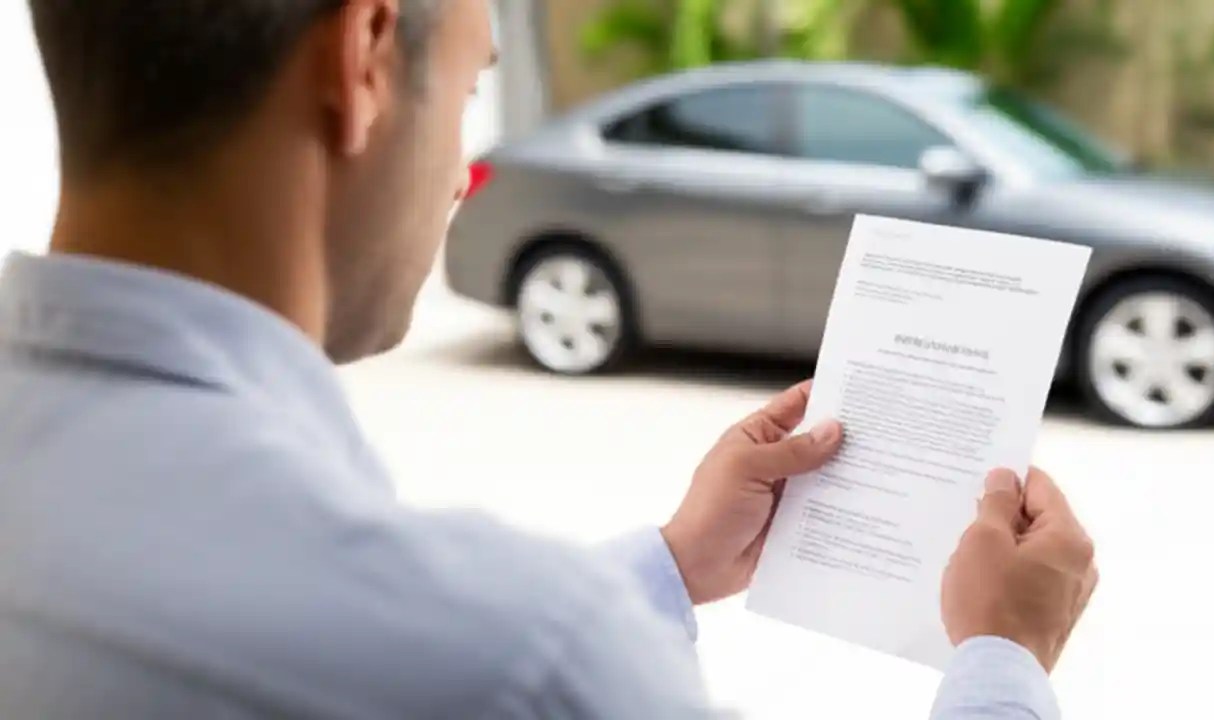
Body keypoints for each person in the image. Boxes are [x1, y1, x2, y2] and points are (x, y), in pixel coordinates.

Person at [0, 1, 1098, 718]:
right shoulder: (525, 663)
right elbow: (493, 664)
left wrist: (668, 563)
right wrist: (1001, 661)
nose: (460, 175)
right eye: (473, 92)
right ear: (364, 58)